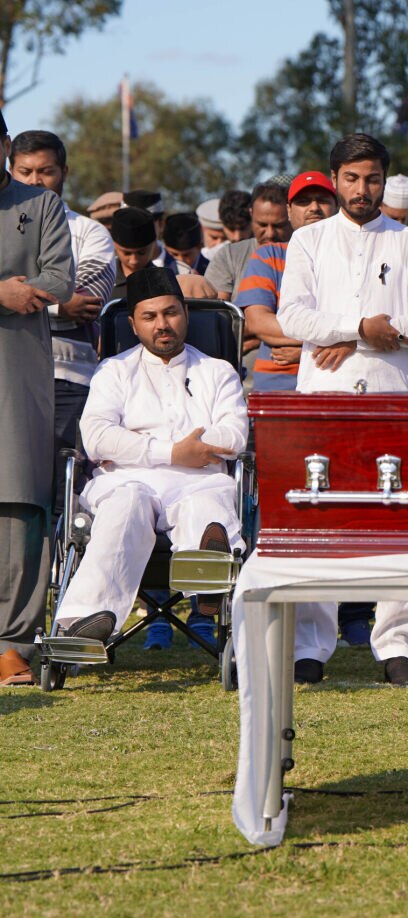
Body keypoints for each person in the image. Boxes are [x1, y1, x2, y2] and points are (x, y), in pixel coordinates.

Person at [277, 132, 408, 687]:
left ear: (383, 180)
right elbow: (294, 320)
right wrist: (359, 328)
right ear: (335, 180)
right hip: (323, 397)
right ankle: (310, 646)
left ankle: (399, 645)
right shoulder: (308, 242)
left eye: (372, 178)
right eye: (351, 179)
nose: (362, 189)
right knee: (320, 517)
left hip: (395, 395)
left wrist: (367, 338)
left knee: (402, 517)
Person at [48, 266, 247, 646]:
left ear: (185, 313)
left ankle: (208, 575)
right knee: (128, 506)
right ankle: (85, 622)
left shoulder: (218, 372)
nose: (163, 325)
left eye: (171, 313)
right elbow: (97, 438)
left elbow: (234, 435)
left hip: (197, 482)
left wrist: (136, 443)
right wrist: (176, 451)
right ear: (133, 324)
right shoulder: (113, 372)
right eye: (150, 317)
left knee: (208, 503)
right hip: (129, 482)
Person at [0, 109, 75, 686]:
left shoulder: (39, 203)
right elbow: (23, 289)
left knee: (21, 502)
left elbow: (59, 281)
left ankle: (12, 643)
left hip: (17, 370)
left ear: (3, 145)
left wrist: (26, 290)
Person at [8, 129, 116, 525]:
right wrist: (54, 297)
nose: (36, 181)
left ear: (64, 172)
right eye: (25, 171)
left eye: (46, 171)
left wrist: (14, 293)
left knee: (61, 497)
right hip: (9, 375)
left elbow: (86, 300)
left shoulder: (90, 233)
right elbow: (64, 298)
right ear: (10, 168)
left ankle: (58, 583)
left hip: (68, 381)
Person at [237, 171, 338, 393]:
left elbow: (362, 326)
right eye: (303, 201)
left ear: (337, 208)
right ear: (289, 211)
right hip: (278, 384)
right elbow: (259, 323)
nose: (314, 207)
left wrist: (305, 350)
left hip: (339, 380)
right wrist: (331, 342)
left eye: (322, 200)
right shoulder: (269, 255)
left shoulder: (356, 258)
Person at [205, 184, 289, 302]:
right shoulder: (229, 256)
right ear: (251, 214)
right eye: (262, 225)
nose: (270, 234)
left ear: (290, 215)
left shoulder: (305, 254)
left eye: (278, 226)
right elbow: (218, 311)